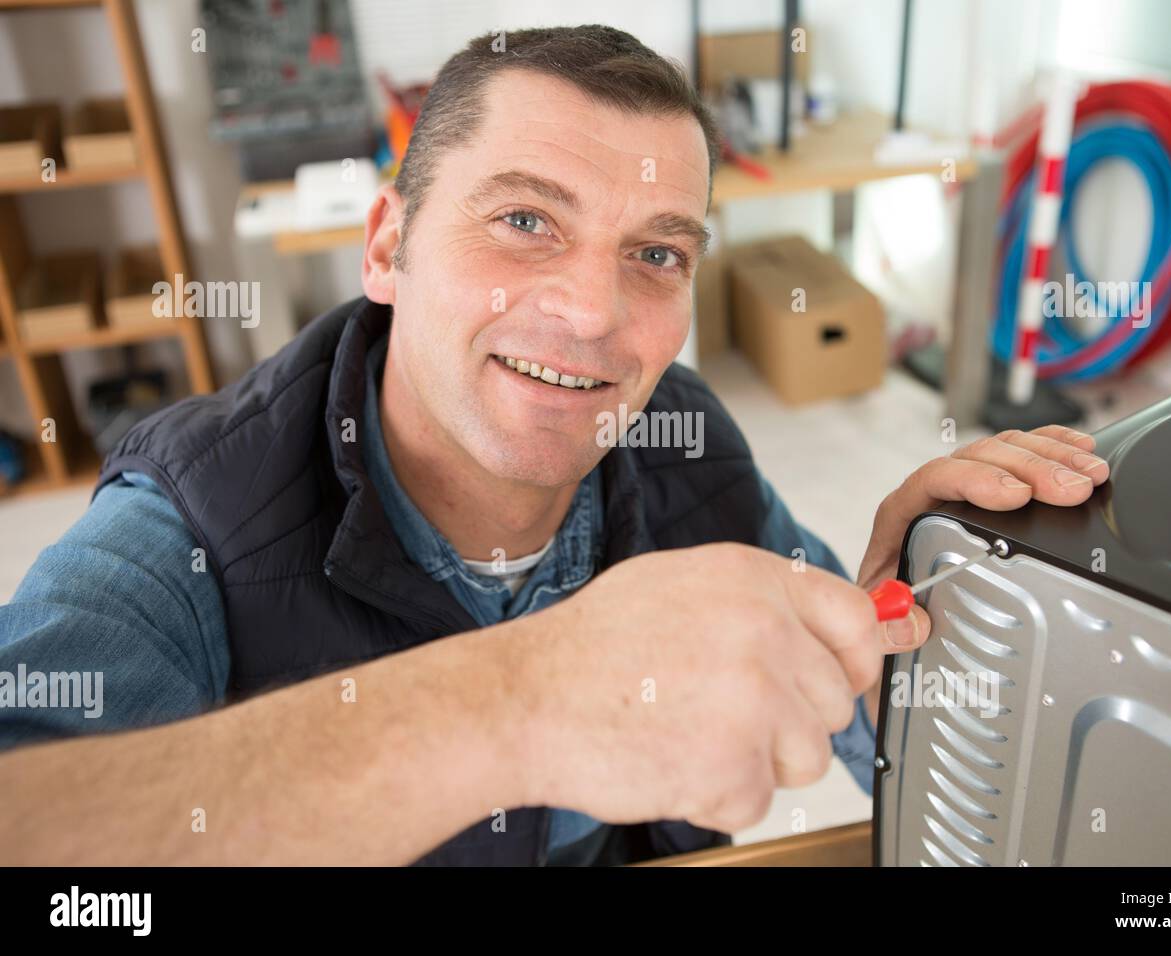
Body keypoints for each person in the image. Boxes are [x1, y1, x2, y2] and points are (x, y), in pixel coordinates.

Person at [0, 25, 1108, 865]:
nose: (592, 312)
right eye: (525, 220)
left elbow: (884, 733)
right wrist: (516, 701)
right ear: (388, 246)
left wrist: (907, 611)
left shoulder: (685, 451)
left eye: (656, 252)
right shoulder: (187, 524)